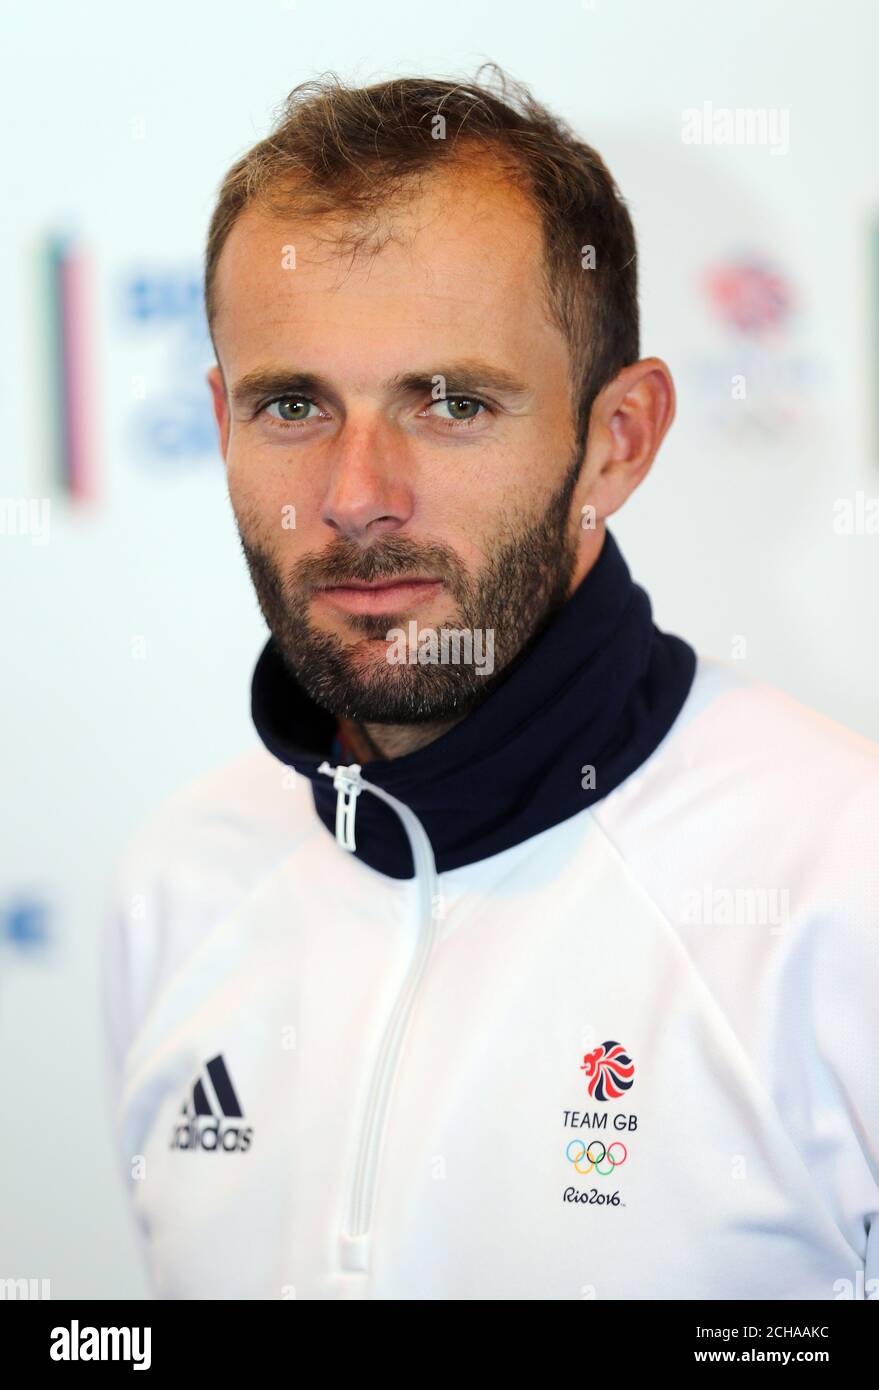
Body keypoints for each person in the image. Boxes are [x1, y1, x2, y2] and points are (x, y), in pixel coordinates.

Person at [101, 65, 879, 1300]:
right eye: (294, 403)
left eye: (453, 402)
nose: (357, 495)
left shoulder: (844, 887)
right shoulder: (178, 883)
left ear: (618, 440)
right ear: (222, 423)